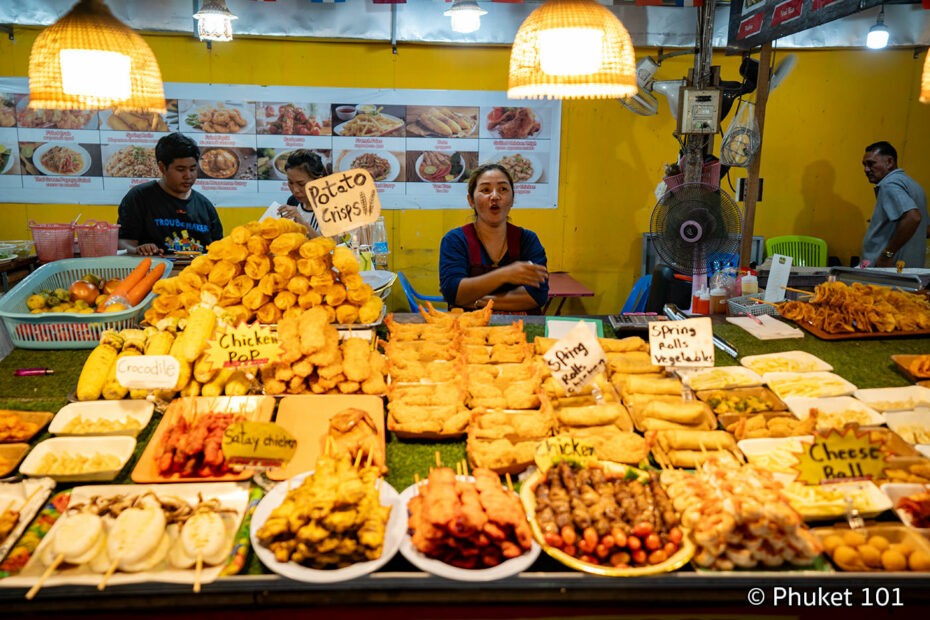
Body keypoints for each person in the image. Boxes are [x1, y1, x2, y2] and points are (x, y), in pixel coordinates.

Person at [439, 164, 549, 313]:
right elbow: (453, 292)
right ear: (471, 201)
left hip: (519, 329)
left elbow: (537, 296)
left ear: (512, 199)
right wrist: (506, 274)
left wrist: (475, 301)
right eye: (485, 190)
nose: (495, 196)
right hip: (469, 331)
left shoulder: (528, 240)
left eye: (503, 189)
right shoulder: (455, 240)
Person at [117, 133, 222, 256]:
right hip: (155, 271)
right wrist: (138, 250)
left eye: (193, 169)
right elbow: (123, 242)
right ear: (162, 167)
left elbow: (218, 249)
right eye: (180, 169)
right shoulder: (139, 197)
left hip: (196, 273)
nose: (188, 176)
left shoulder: (205, 206)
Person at [861, 141, 929, 268]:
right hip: (910, 271)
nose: (866, 169)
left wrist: (887, 255)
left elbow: (913, 218)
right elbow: (926, 230)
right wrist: (886, 225)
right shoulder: (914, 185)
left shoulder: (889, 184)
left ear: (889, 162)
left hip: (888, 272)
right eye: (864, 165)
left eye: (871, 164)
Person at [276, 149, 327, 239]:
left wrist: (301, 221)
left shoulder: (331, 207)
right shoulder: (292, 201)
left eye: (301, 184)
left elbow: (330, 246)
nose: (295, 190)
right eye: (290, 182)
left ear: (318, 181)